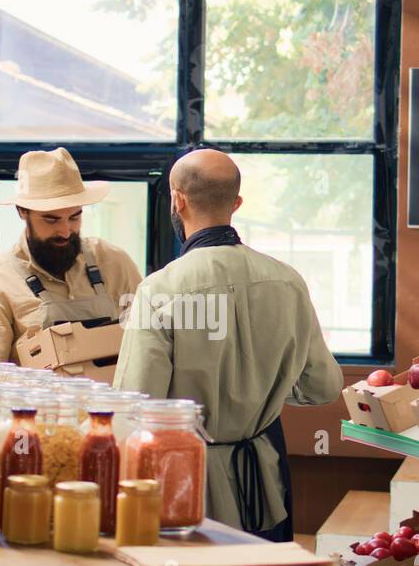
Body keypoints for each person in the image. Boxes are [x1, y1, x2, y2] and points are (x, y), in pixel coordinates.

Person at [112, 148, 343, 541]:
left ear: (177, 200)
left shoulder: (160, 290)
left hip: (185, 485)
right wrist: (258, 392)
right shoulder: (287, 281)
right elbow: (323, 387)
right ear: (236, 203)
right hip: (266, 484)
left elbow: (134, 408)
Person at [0, 147, 143, 362]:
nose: (65, 231)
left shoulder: (114, 262)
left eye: (75, 217)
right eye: (51, 219)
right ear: (22, 211)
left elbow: (146, 345)